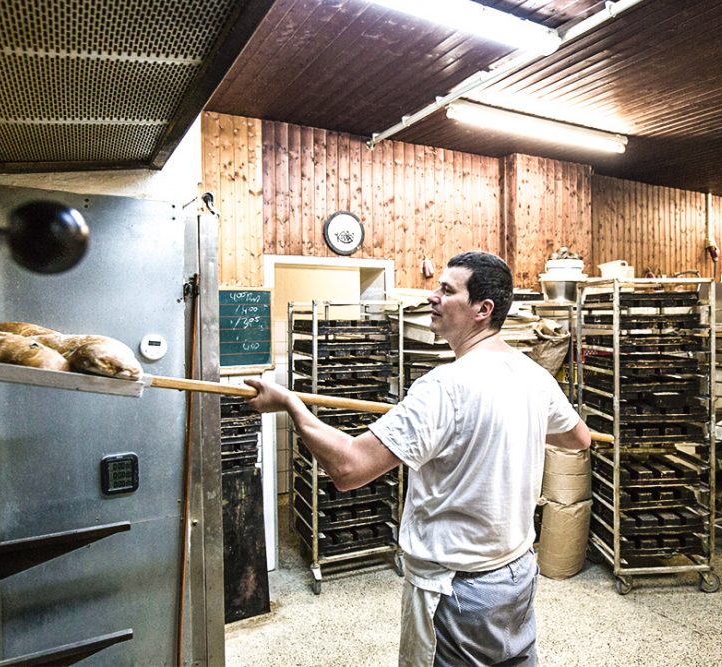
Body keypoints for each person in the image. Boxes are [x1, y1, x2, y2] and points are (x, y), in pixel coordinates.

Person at [246, 251, 590, 666]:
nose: (432, 296)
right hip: (515, 574)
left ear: (483, 309)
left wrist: (291, 405)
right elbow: (578, 438)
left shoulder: (444, 386)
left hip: (458, 591)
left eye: (447, 290)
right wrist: (516, 425)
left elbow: (349, 469)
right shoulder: (533, 375)